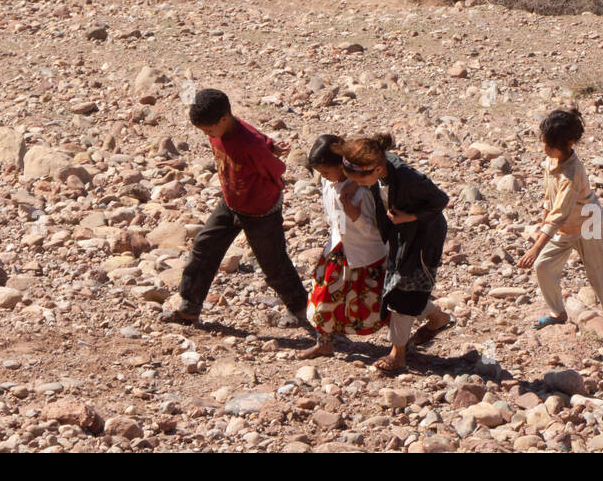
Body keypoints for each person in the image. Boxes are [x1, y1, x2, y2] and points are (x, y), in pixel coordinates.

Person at [163, 88, 311, 330]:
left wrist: (268, 151)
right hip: (232, 202)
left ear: (224, 119)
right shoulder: (223, 129)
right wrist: (271, 144)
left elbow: (276, 170)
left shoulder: (249, 144)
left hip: (260, 209)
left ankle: (299, 308)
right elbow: (260, 137)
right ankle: (189, 309)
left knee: (273, 263)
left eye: (209, 130)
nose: (207, 135)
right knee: (204, 246)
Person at [339, 133, 451, 375]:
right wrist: (352, 181)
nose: (357, 184)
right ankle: (437, 318)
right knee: (397, 287)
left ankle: (397, 355)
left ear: (377, 171)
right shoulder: (379, 164)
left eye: (359, 180)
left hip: (422, 238)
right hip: (401, 234)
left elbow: (441, 199)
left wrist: (411, 217)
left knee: (404, 295)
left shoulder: (408, 177)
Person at [518, 107, 603, 327]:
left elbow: (560, 213)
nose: (544, 148)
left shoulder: (572, 173)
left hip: (588, 224)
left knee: (601, 273)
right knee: (543, 267)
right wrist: (542, 225)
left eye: (549, 145)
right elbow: (550, 199)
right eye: (544, 142)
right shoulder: (551, 161)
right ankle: (558, 313)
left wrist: (536, 246)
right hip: (565, 228)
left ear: (567, 144)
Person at [301, 135, 388, 359]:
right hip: (338, 250)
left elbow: (373, 231)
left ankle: (402, 345)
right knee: (322, 298)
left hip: (366, 256)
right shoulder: (329, 182)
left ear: (343, 166)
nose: (324, 178)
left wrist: (354, 214)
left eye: (327, 173)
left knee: (380, 303)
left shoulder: (362, 193)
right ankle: (324, 343)